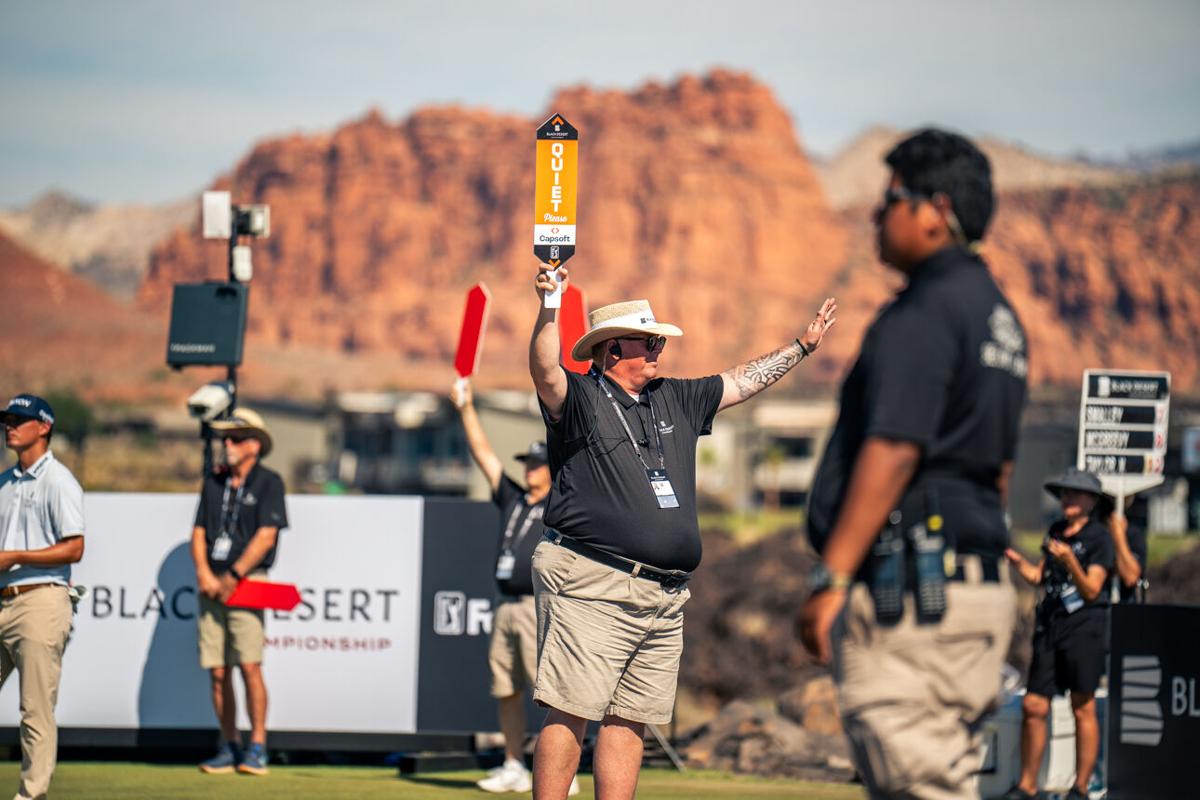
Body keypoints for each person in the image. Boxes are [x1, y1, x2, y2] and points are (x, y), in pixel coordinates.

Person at [528, 267, 836, 800]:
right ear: (608, 351)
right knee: (572, 706)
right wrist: (550, 306)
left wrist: (801, 348)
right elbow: (545, 370)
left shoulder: (676, 397)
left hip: (664, 593)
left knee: (631, 716)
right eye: (645, 342)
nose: (657, 350)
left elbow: (742, 380)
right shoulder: (580, 397)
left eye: (658, 341)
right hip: (591, 580)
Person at [797, 128, 1028, 799]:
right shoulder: (998, 316)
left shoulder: (925, 311)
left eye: (892, 197)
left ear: (937, 209)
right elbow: (1000, 468)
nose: (877, 213)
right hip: (973, 594)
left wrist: (832, 574)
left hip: (915, 601)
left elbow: (895, 447)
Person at [450, 379, 579, 796]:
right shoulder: (514, 499)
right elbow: (484, 456)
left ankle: (564, 771)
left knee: (553, 691)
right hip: (506, 605)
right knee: (506, 688)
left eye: (536, 464)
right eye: (526, 463)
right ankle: (512, 764)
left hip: (541, 606)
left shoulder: (560, 501)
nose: (528, 469)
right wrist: (466, 407)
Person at [999, 467, 1115, 800]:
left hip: (1084, 629)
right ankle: (1026, 785)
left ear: (1090, 501)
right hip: (1050, 627)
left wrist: (1071, 562)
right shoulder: (1056, 531)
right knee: (1034, 705)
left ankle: (1080, 788)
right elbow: (1040, 577)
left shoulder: (1099, 538)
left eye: (1074, 493)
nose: (1067, 499)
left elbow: (1092, 589)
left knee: (1083, 706)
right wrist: (1019, 563)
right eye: (1064, 493)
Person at [191, 408, 288, 777]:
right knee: (217, 671)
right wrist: (204, 573)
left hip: (248, 584)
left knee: (249, 665)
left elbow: (267, 536)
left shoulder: (269, 482)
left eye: (234, 439)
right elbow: (199, 532)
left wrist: (232, 575)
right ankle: (229, 745)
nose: (226, 445)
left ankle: (257, 746)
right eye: (224, 439)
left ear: (253, 445)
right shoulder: (213, 481)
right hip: (210, 586)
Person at [0, 394, 85, 800]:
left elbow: (74, 548)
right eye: (7, 419)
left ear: (44, 426)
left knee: (34, 710)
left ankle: (31, 796)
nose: (9, 426)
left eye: (19, 419)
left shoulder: (59, 481)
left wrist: (14, 555)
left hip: (41, 599)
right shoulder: (4, 482)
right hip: (3, 599)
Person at [1107, 495, 1147, 604]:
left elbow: (1131, 577)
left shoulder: (1133, 533)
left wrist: (1119, 536)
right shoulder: (1093, 531)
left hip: (1123, 603)